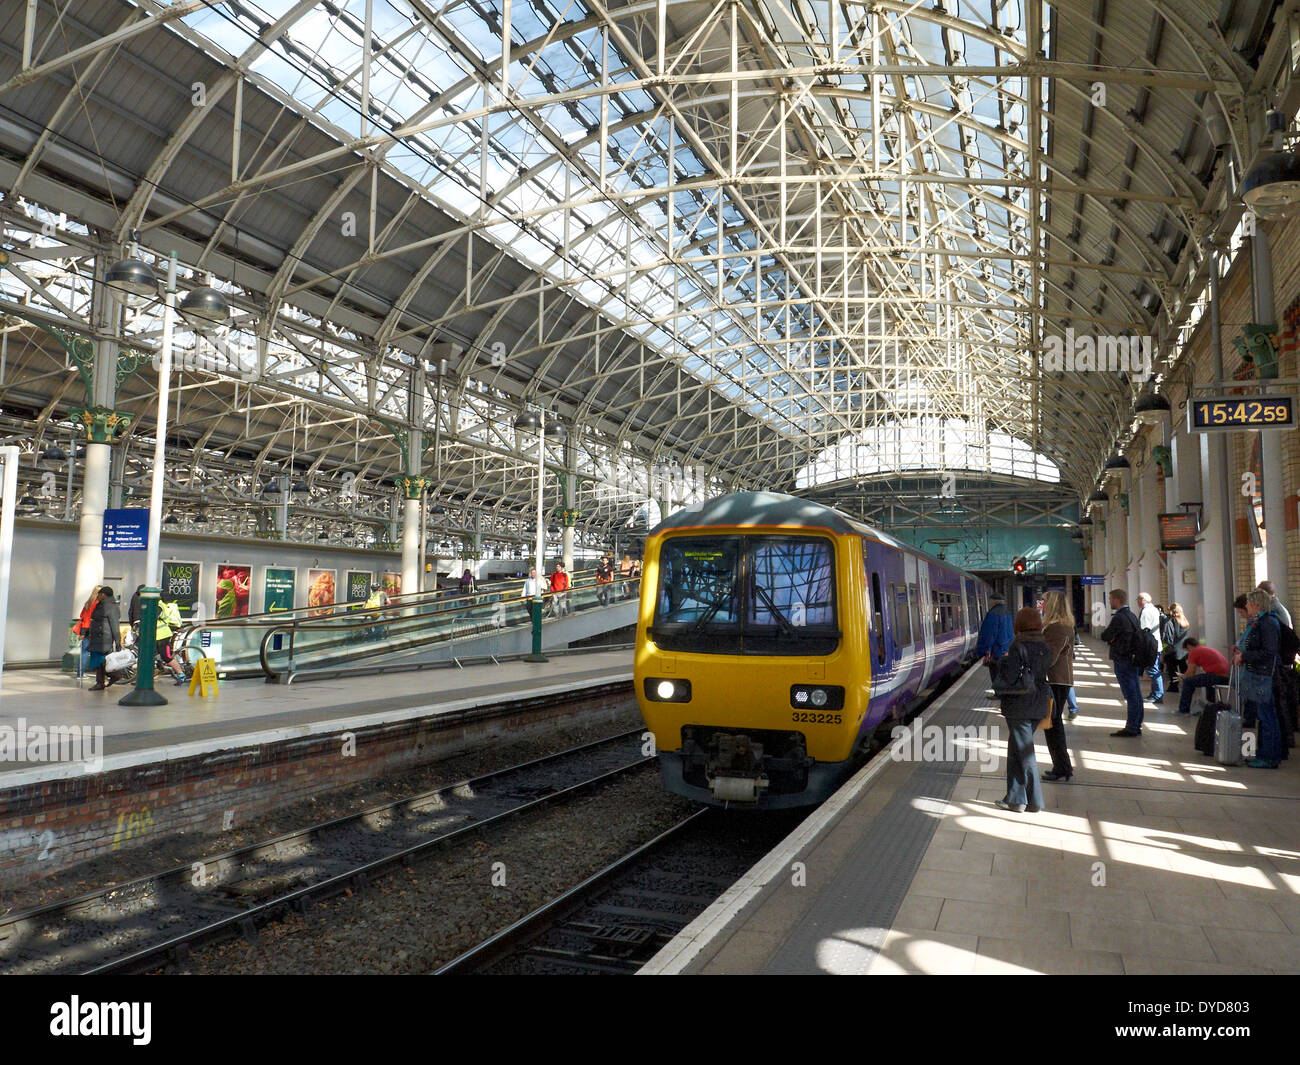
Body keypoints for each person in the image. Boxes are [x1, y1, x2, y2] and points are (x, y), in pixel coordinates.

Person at [987, 607, 1052, 813]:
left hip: (1019, 704)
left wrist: (1001, 664)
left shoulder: (1018, 645)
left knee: (1025, 752)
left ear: (1019, 624)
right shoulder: (1045, 645)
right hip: (1039, 702)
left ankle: (1035, 801)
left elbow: (1011, 676)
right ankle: (1015, 799)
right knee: (1016, 750)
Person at [1235, 588, 1283, 769]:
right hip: (1260, 675)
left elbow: (1268, 652)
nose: (1246, 606)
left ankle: (1269, 757)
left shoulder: (1267, 623)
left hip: (1265, 677)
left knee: (1267, 717)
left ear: (1255, 604)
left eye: (1248, 603)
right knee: (1264, 717)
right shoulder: (1260, 622)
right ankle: (1264, 753)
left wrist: (1245, 656)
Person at [1040, 591, 1075, 782]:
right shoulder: (1061, 626)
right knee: (1052, 724)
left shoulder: (1057, 628)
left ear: (1052, 604)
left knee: (1052, 725)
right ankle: (1062, 766)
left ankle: (1062, 767)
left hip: (1056, 680)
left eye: (1044, 601)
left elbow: (1049, 657)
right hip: (1059, 679)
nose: (1042, 604)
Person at [1100, 589, 1144, 737]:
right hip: (1132, 658)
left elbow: (1106, 635)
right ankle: (1137, 724)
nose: (1110, 601)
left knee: (1130, 694)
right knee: (1136, 693)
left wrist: (1111, 639)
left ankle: (1131, 727)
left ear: (1117, 600)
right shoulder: (1132, 616)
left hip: (1122, 658)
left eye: (1111, 599)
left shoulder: (1119, 617)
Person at [1176, 638, 1230, 716]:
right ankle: (1210, 708)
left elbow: (1191, 671)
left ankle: (1183, 710)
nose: (1188, 652)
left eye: (1187, 650)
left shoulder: (1194, 652)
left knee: (1188, 682)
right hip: (1226, 677)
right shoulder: (1204, 649)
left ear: (1189, 646)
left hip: (1215, 676)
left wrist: (1183, 677)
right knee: (1207, 681)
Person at [86, 586, 122, 691]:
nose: (98, 596)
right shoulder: (101, 605)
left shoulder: (111, 607)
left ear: (103, 595)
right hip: (97, 638)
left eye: (99, 594)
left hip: (104, 638)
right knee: (99, 662)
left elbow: (115, 624)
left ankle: (112, 676)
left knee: (102, 661)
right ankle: (102, 681)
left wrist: (118, 640)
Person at [1136, 592, 1164, 706]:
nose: (1137, 602)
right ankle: (1155, 693)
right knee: (1153, 669)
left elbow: (1144, 630)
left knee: (1153, 670)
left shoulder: (1146, 612)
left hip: (1150, 646)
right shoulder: (1154, 609)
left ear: (1142, 600)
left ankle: (1157, 694)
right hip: (1155, 644)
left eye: (1137, 599)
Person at [155, 596, 187, 685]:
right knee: (153, 656)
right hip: (157, 636)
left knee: (167, 657)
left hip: (163, 636)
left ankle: (181, 674)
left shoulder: (159, 606)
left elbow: (154, 617)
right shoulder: (158, 605)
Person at [1161, 602, 1191, 694]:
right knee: (1183, 668)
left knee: (1172, 669)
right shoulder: (1184, 620)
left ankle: (1174, 686)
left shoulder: (1173, 621)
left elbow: (1171, 636)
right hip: (1183, 649)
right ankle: (1188, 684)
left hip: (1173, 649)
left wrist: (1164, 648)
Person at [974, 593, 1014, 660]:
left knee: (996, 669)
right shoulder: (1008, 613)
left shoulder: (992, 614)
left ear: (993, 602)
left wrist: (985, 650)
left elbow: (990, 634)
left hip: (996, 652)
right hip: (1006, 650)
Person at [74, 590, 98, 679]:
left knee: (84, 652)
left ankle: (79, 673)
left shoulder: (88, 603)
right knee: (96, 652)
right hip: (94, 629)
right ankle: (97, 672)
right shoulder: (98, 604)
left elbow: (82, 616)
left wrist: (83, 632)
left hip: (85, 629)